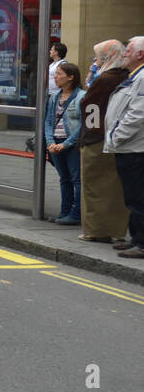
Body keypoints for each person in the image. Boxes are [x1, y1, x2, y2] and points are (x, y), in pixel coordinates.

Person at [78, 41, 130, 243]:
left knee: (94, 186)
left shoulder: (105, 79)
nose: (95, 61)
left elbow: (90, 108)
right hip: (116, 137)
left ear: (107, 57)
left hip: (97, 139)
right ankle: (116, 229)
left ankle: (97, 230)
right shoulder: (125, 76)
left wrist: (88, 136)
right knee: (115, 187)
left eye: (98, 56)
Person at [104, 36, 144, 258]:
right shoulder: (135, 75)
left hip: (134, 148)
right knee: (132, 196)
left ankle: (142, 243)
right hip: (128, 147)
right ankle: (136, 237)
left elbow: (137, 114)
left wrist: (117, 137)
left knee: (138, 196)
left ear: (140, 54)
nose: (124, 54)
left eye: (128, 50)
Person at [44, 61, 85, 225]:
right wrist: (50, 142)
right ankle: (64, 212)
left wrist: (65, 144)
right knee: (64, 179)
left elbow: (83, 124)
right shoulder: (54, 96)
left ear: (71, 77)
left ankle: (76, 214)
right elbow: (48, 120)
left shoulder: (82, 96)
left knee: (76, 179)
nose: (55, 77)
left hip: (72, 145)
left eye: (59, 74)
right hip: (56, 143)